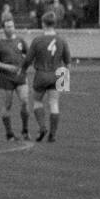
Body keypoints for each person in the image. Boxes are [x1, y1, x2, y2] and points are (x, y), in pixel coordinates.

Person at [20, 12, 71, 142]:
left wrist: (23, 70)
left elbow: (28, 59)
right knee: (54, 103)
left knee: (37, 101)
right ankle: (52, 135)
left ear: (43, 23)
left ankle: (42, 127)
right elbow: (67, 62)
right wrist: (65, 81)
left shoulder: (37, 40)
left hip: (42, 73)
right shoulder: (62, 40)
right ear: (55, 24)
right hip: (58, 74)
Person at [0, 17, 30, 140]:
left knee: (25, 101)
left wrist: (24, 65)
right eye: (8, 26)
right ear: (3, 28)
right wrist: (8, 67)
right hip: (6, 78)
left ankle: (25, 130)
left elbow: (28, 56)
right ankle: (9, 134)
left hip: (20, 77)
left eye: (12, 26)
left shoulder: (20, 41)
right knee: (7, 105)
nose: (10, 28)